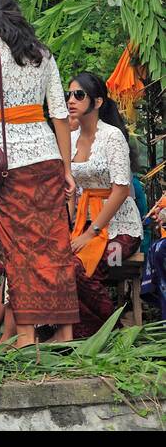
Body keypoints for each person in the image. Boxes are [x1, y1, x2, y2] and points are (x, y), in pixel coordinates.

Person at [0, 0, 78, 348]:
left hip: (9, 164)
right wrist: (67, 169)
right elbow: (59, 113)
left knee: (19, 250)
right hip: (47, 159)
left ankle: (26, 337)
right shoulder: (43, 53)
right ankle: (65, 334)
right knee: (55, 247)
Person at [67, 72, 140, 338]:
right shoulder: (71, 139)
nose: (71, 100)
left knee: (89, 267)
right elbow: (71, 189)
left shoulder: (113, 137)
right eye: (69, 94)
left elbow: (121, 190)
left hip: (121, 229)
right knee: (60, 262)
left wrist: (92, 232)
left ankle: (115, 331)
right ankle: (85, 334)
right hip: (83, 221)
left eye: (79, 95)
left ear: (97, 102)